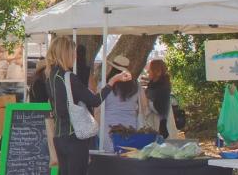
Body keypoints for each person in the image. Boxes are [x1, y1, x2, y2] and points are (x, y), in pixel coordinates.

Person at [45, 37, 132, 175]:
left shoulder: (50, 77)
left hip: (58, 137)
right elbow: (95, 100)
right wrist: (112, 81)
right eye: (73, 53)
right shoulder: (69, 77)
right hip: (74, 137)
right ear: (65, 53)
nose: (75, 56)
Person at [102, 56, 140, 129]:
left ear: (112, 68)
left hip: (109, 125)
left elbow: (98, 109)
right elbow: (144, 106)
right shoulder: (136, 84)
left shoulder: (104, 84)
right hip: (130, 126)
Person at [144, 59, 172, 139]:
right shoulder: (164, 83)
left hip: (159, 121)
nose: (148, 72)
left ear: (156, 71)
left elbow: (153, 104)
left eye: (150, 70)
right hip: (163, 120)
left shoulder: (158, 86)